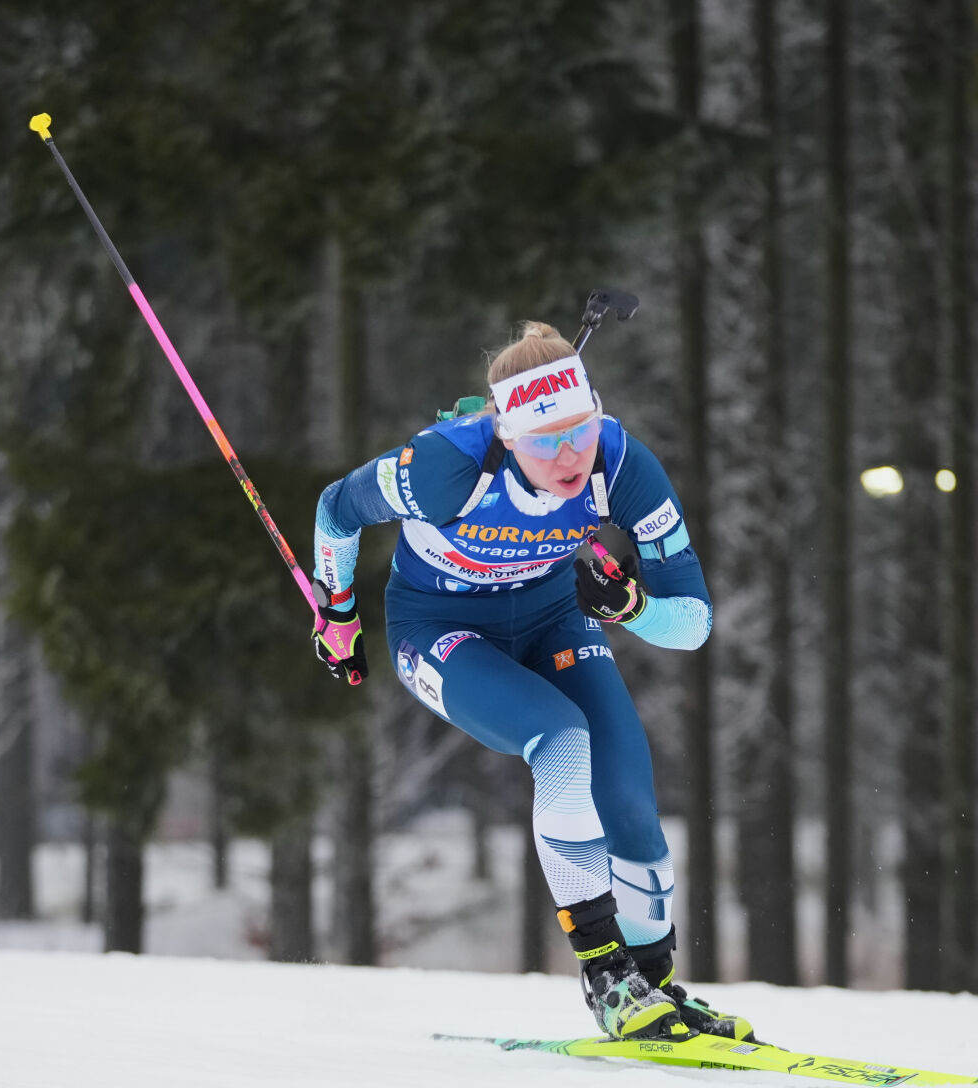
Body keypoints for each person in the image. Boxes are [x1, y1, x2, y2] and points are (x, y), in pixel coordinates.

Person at [309, 320, 751, 1043]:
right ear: (508, 434)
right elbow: (336, 506)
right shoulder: (444, 465)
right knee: (562, 739)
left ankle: (654, 985)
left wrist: (633, 606)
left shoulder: (618, 461)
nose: (570, 453)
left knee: (632, 804)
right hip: (441, 628)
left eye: (580, 429)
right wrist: (336, 609)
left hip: (549, 617)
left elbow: (694, 621)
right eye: (546, 439)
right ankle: (606, 975)